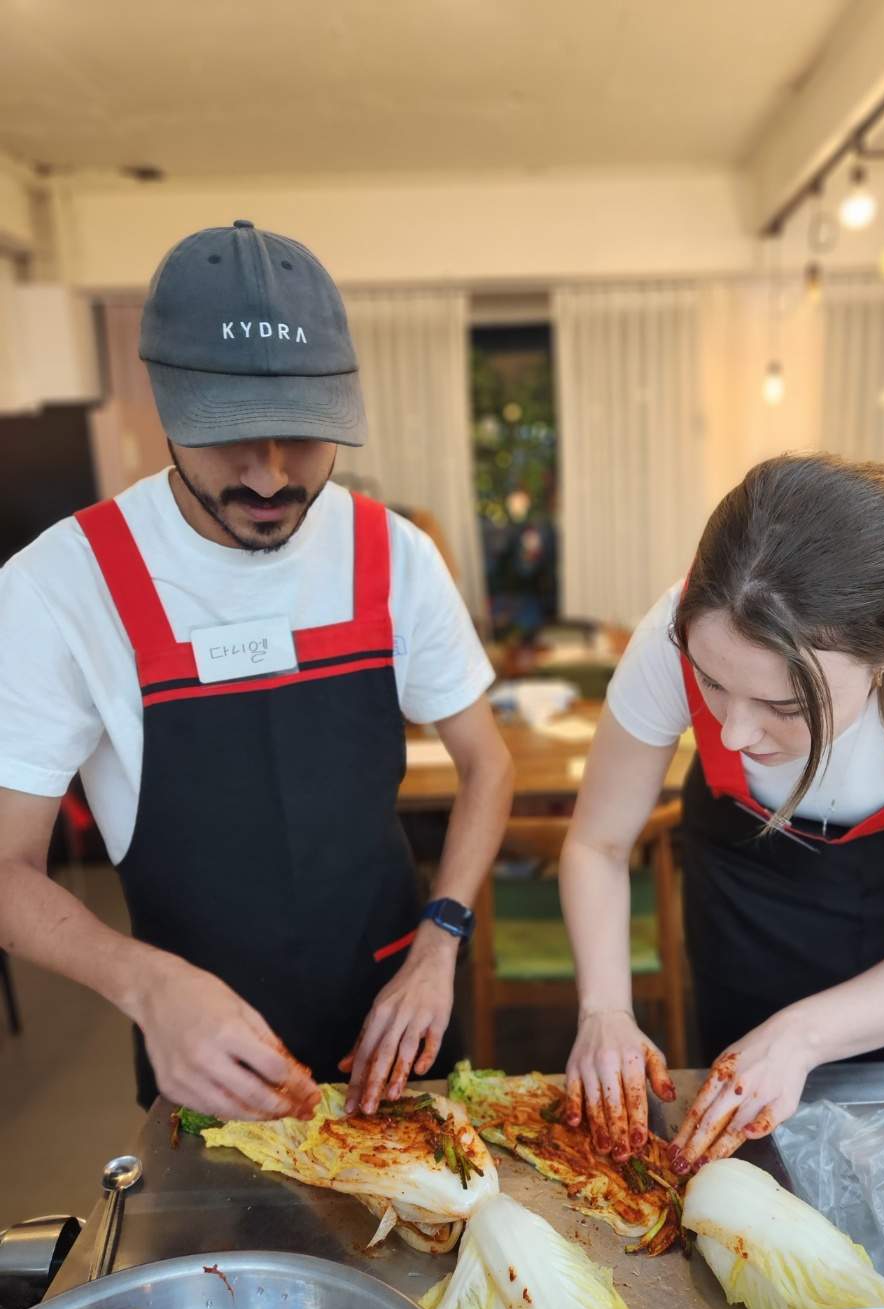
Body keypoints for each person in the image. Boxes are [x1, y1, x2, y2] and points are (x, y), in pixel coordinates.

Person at [0, 220, 513, 1122]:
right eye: (230, 434)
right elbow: (9, 868)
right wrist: (145, 985)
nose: (271, 477)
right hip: (204, 1060)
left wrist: (441, 941)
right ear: (166, 401)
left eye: (302, 434)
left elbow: (488, 764)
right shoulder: (62, 586)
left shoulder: (392, 554)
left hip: (399, 1035)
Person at [559, 453, 884, 1172]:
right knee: (746, 1150)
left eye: (784, 706)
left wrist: (802, 1035)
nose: (731, 734)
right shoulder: (674, 630)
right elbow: (598, 844)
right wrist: (604, 1009)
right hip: (747, 881)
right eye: (711, 683)